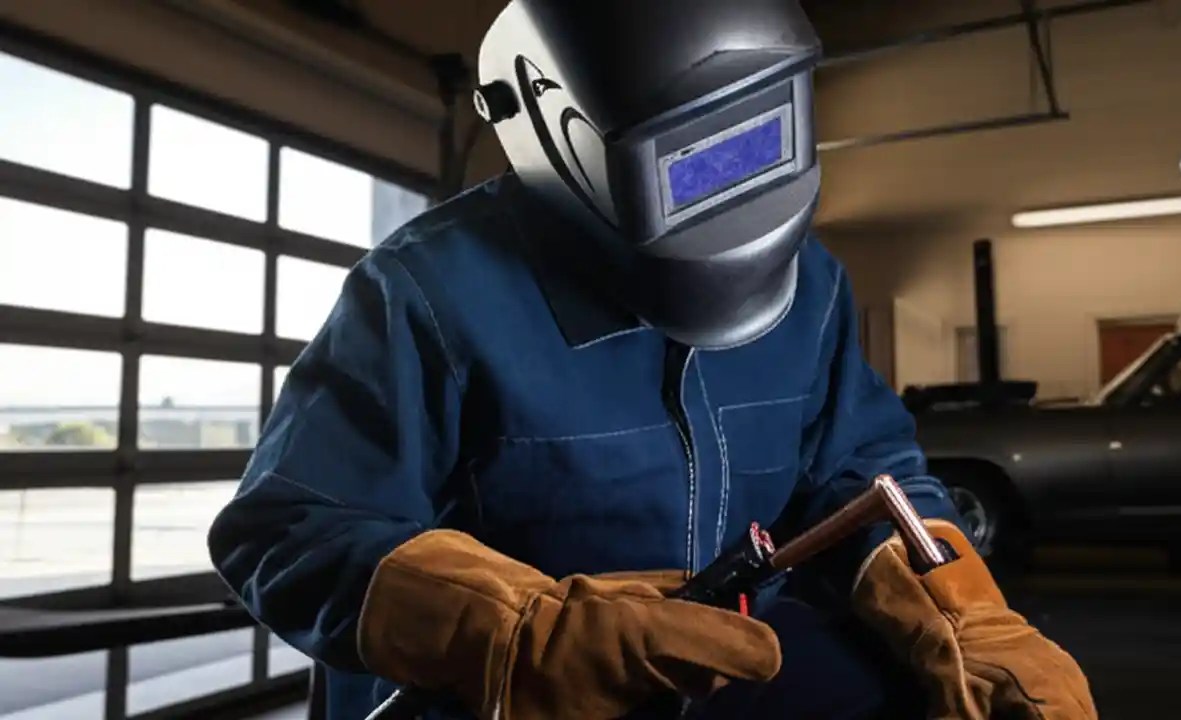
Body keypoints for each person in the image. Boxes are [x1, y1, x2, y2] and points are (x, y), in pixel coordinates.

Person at [208, 1, 1096, 719]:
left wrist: (959, 613)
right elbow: (287, 530)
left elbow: (859, 474)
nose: (727, 196)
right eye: (684, 168)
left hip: (733, 672)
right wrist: (514, 634)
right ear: (564, 136)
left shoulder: (809, 284)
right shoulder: (427, 292)